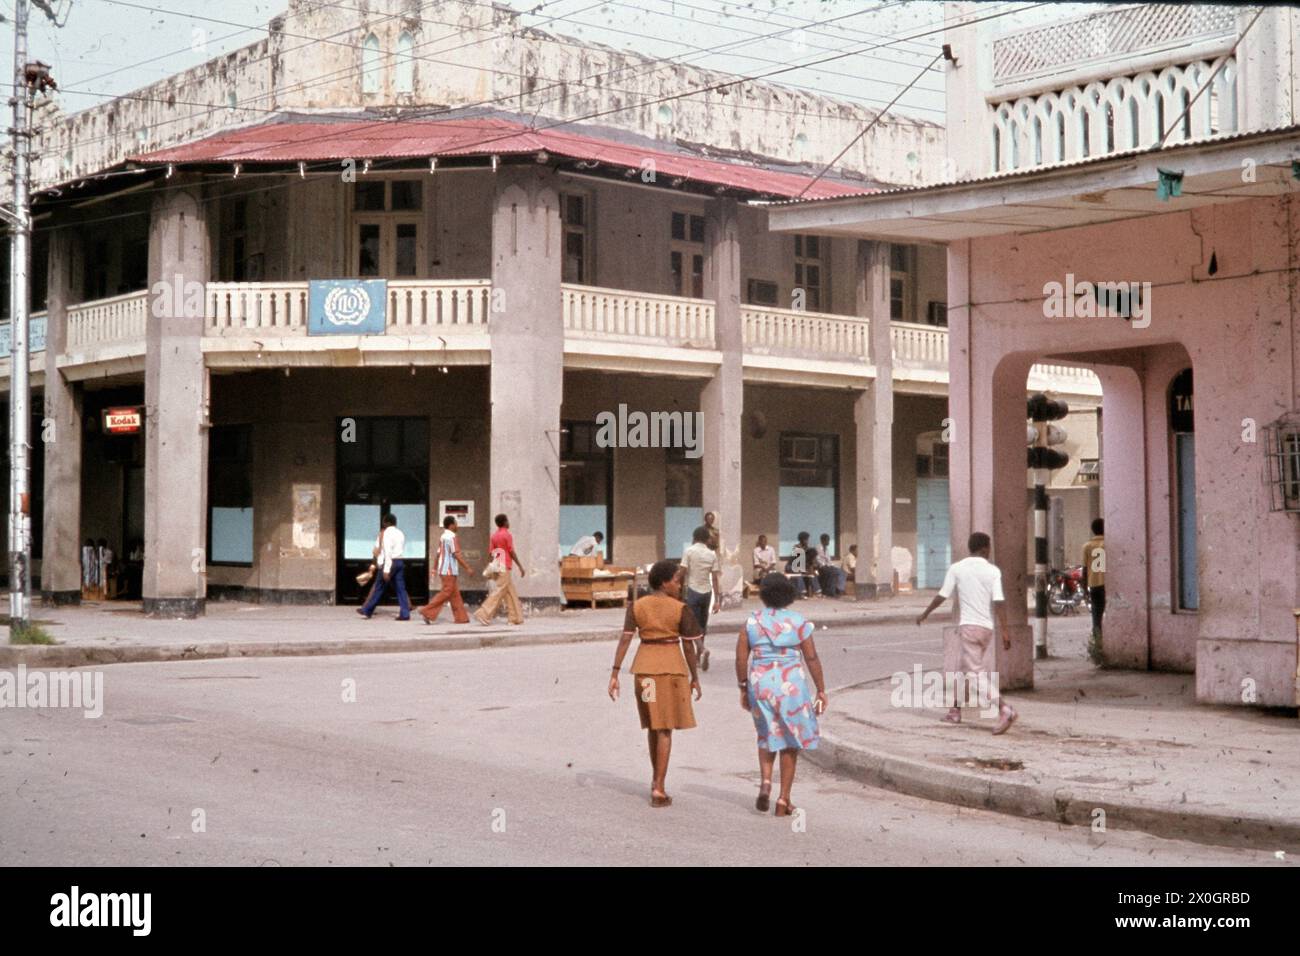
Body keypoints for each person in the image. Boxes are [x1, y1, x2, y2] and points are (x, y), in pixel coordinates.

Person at [607, 559, 703, 808]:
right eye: (676, 579)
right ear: (664, 582)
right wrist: (695, 678)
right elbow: (689, 646)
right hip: (670, 672)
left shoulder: (637, 606)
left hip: (645, 672)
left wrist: (615, 672)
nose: (679, 584)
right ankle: (659, 787)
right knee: (665, 728)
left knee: (653, 724)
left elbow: (625, 640)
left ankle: (656, 779)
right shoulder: (681, 609)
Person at [736, 573, 827, 816]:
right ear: (788, 593)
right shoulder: (798, 621)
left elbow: (741, 657)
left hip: (761, 685)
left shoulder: (751, 622)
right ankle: (783, 799)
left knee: (766, 735)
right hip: (792, 686)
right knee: (790, 741)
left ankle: (766, 782)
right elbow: (811, 657)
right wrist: (821, 689)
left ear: (763, 595)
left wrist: (743, 687)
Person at [915, 532, 1017, 735]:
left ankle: (1004, 709)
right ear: (985, 548)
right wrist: (1005, 630)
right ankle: (955, 710)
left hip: (968, 628)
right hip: (986, 629)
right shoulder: (993, 571)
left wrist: (925, 613)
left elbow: (942, 595)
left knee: (974, 673)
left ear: (971, 547)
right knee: (964, 670)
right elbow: (999, 601)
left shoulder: (957, 568)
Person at [419, 516, 478, 624]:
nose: (457, 525)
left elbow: (438, 554)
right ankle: (427, 611)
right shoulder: (451, 537)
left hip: (444, 570)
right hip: (449, 570)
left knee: (455, 595)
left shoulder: (443, 537)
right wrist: (467, 567)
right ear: (451, 525)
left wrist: (434, 568)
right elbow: (457, 554)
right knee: (446, 593)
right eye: (456, 523)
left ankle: (461, 618)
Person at [681, 525, 721, 671]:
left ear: (694, 537)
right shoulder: (712, 554)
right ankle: (698, 657)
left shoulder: (689, 551)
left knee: (691, 625)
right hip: (707, 593)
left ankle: (702, 649)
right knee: (702, 626)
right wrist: (717, 600)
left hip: (692, 590)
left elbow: (683, 572)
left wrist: (677, 589)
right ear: (707, 539)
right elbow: (715, 578)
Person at [475, 513, 525, 626]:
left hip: (497, 566)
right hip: (504, 566)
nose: (509, 523)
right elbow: (511, 552)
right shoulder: (507, 535)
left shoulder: (494, 536)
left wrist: (490, 567)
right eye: (507, 520)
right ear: (505, 522)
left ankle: (514, 618)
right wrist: (520, 566)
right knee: (499, 591)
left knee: (509, 592)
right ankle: (483, 613)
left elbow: (491, 553)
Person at [358, 513, 410, 620]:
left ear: (386, 522)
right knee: (401, 589)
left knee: (379, 587)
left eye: (384, 522)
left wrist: (386, 569)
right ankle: (405, 613)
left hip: (389, 562)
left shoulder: (386, 533)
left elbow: (387, 551)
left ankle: (367, 609)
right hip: (400, 561)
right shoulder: (400, 533)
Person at [1083, 518, 1105, 636]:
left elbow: (1085, 569)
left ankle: (1097, 637)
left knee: (1096, 613)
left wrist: (1084, 586)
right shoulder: (1107, 545)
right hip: (1106, 584)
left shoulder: (1087, 546)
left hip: (1094, 584)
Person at [785, 531, 820, 598]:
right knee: (799, 574)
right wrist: (805, 570)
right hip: (791, 566)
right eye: (805, 539)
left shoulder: (808, 549)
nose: (807, 541)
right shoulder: (797, 548)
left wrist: (812, 569)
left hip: (801, 567)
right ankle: (802, 592)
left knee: (812, 573)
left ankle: (817, 590)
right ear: (801, 539)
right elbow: (797, 564)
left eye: (807, 539)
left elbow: (811, 562)